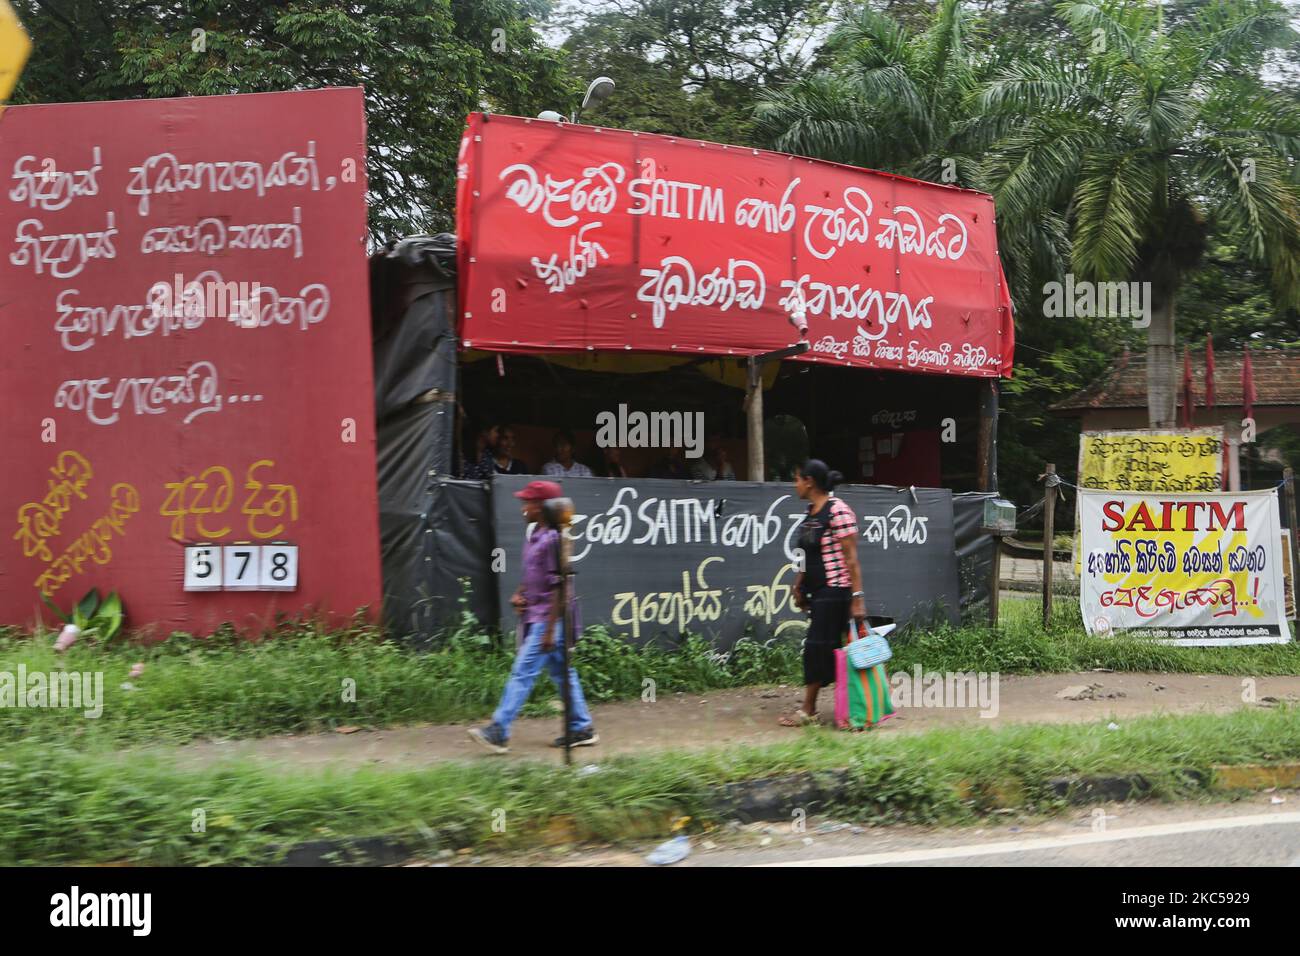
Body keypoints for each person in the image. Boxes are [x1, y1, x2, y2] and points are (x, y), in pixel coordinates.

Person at [469, 480, 598, 754]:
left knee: (522, 672)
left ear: (542, 507)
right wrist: (520, 593)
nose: (523, 507)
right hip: (538, 616)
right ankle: (582, 727)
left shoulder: (554, 540)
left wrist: (550, 631)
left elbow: (560, 588)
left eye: (528, 502)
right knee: (563, 673)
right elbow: (532, 573)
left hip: (549, 620)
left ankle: (499, 731)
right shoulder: (536, 535)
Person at [780, 459, 866, 727]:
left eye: (797, 479)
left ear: (809, 482)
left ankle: (810, 710)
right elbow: (805, 555)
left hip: (836, 590)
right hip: (818, 592)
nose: (795, 484)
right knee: (826, 649)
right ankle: (851, 709)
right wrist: (798, 585)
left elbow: (851, 559)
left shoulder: (837, 510)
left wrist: (857, 598)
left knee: (819, 647)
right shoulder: (811, 513)